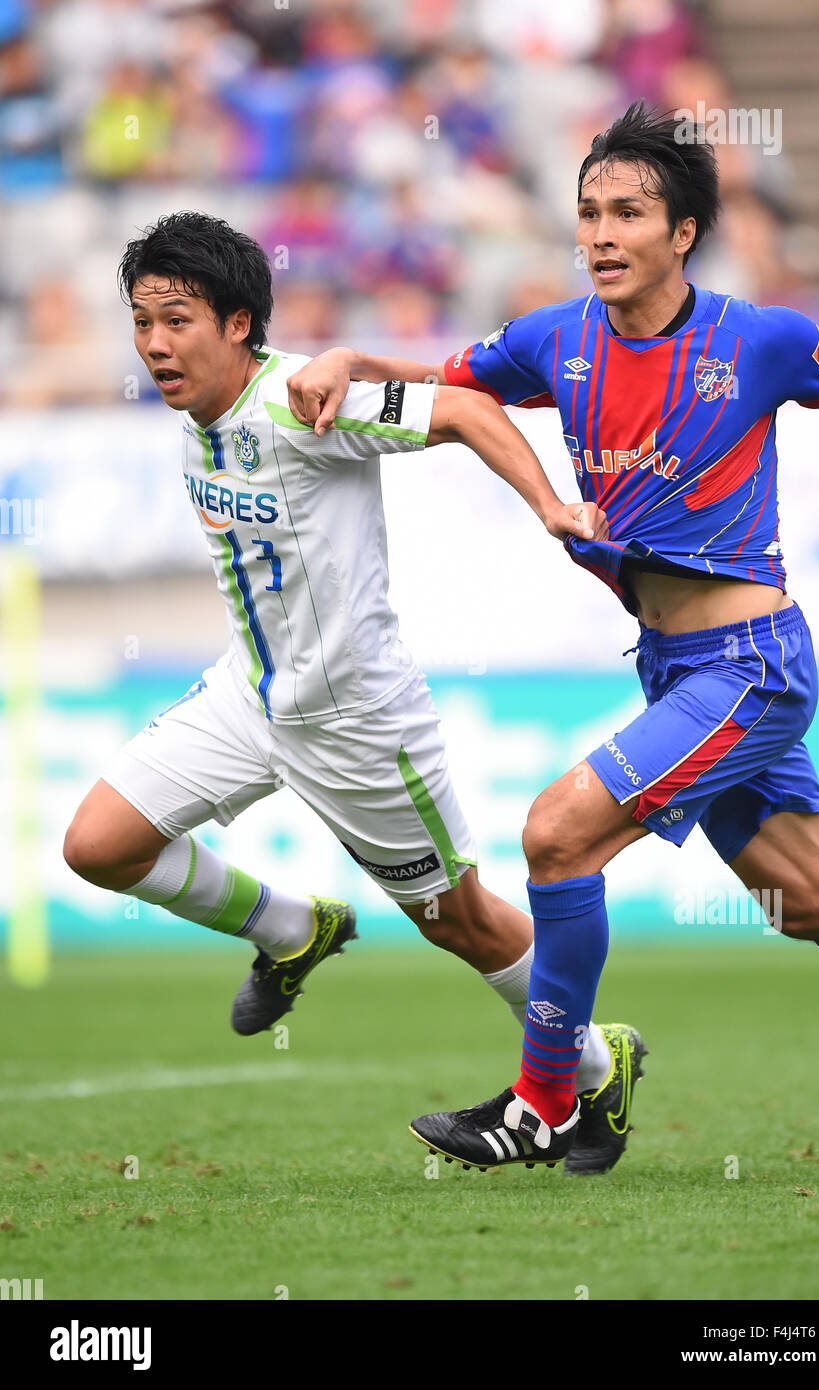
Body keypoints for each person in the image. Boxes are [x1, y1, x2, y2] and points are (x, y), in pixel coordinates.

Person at [286, 101, 819, 1171]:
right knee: (814, 901)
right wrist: (341, 352)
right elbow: (431, 381)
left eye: (626, 213)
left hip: (750, 668)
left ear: (681, 230)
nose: (598, 233)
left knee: (555, 832)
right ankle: (570, 1093)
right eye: (587, 211)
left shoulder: (765, 340)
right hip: (673, 670)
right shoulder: (552, 341)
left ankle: (545, 1101)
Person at [61, 210, 637, 1175]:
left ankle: (593, 1061)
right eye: (142, 320)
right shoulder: (202, 418)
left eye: (177, 319)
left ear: (239, 324)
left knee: (464, 923)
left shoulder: (303, 402)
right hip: (247, 698)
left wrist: (548, 506)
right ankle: (292, 928)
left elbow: (459, 409)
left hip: (362, 726)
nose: (155, 344)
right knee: (98, 846)